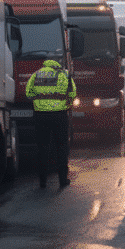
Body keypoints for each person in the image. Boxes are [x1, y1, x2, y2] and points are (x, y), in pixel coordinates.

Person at [25, 58, 76, 188]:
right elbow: (72, 93)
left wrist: (40, 100)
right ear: (57, 65)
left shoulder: (36, 74)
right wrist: (66, 102)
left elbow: (28, 93)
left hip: (41, 115)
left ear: (45, 65)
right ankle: (63, 180)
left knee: (42, 148)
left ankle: (42, 181)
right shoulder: (64, 75)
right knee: (61, 147)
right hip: (60, 115)